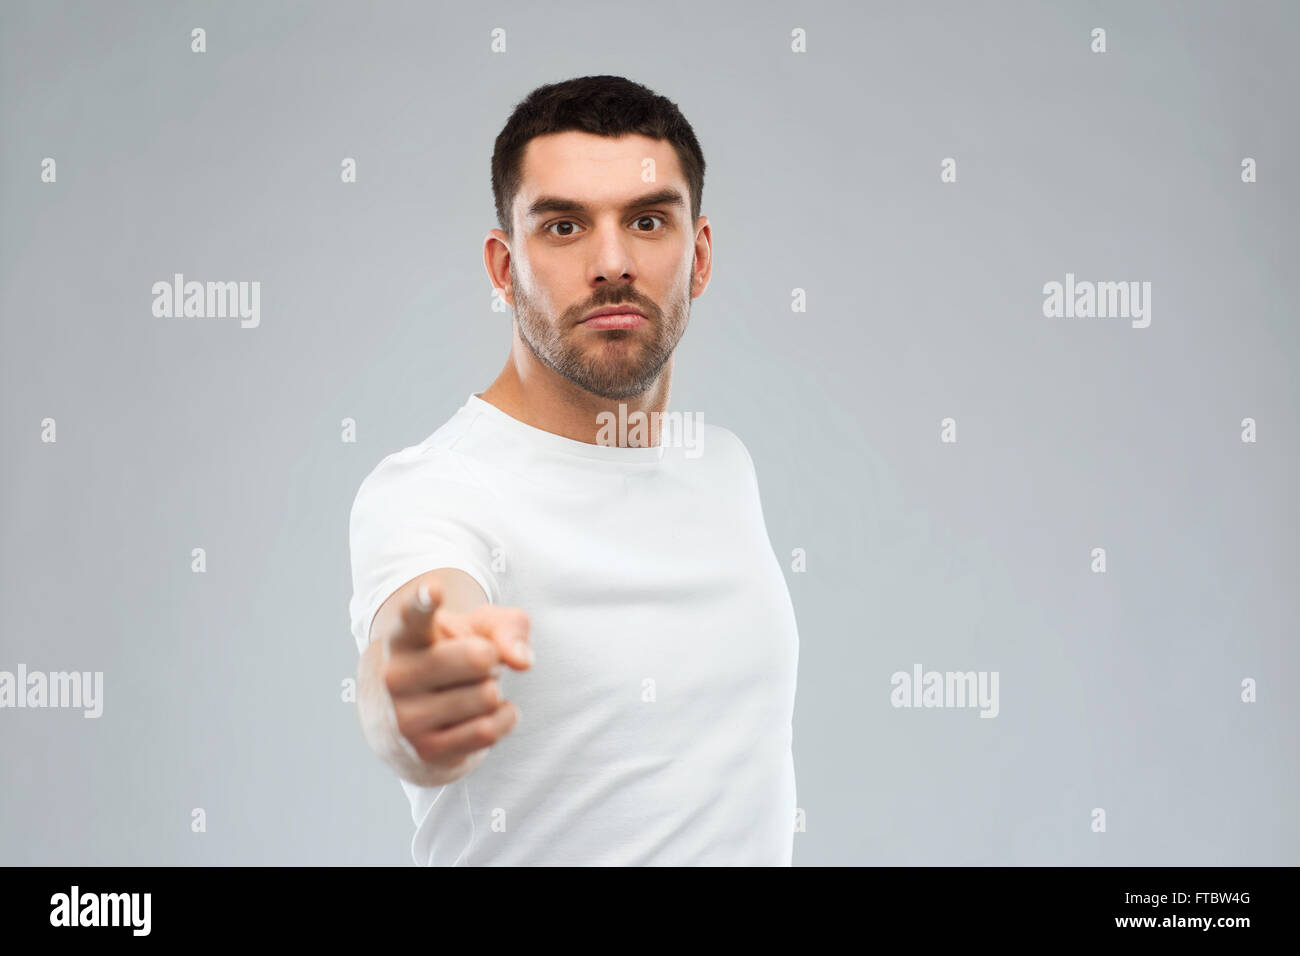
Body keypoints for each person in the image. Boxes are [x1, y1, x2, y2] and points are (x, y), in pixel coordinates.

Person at [348, 75, 799, 865]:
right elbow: (410, 657)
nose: (612, 263)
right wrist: (414, 700)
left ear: (698, 258)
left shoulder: (723, 466)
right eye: (563, 227)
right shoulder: (436, 489)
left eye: (648, 220)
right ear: (502, 268)